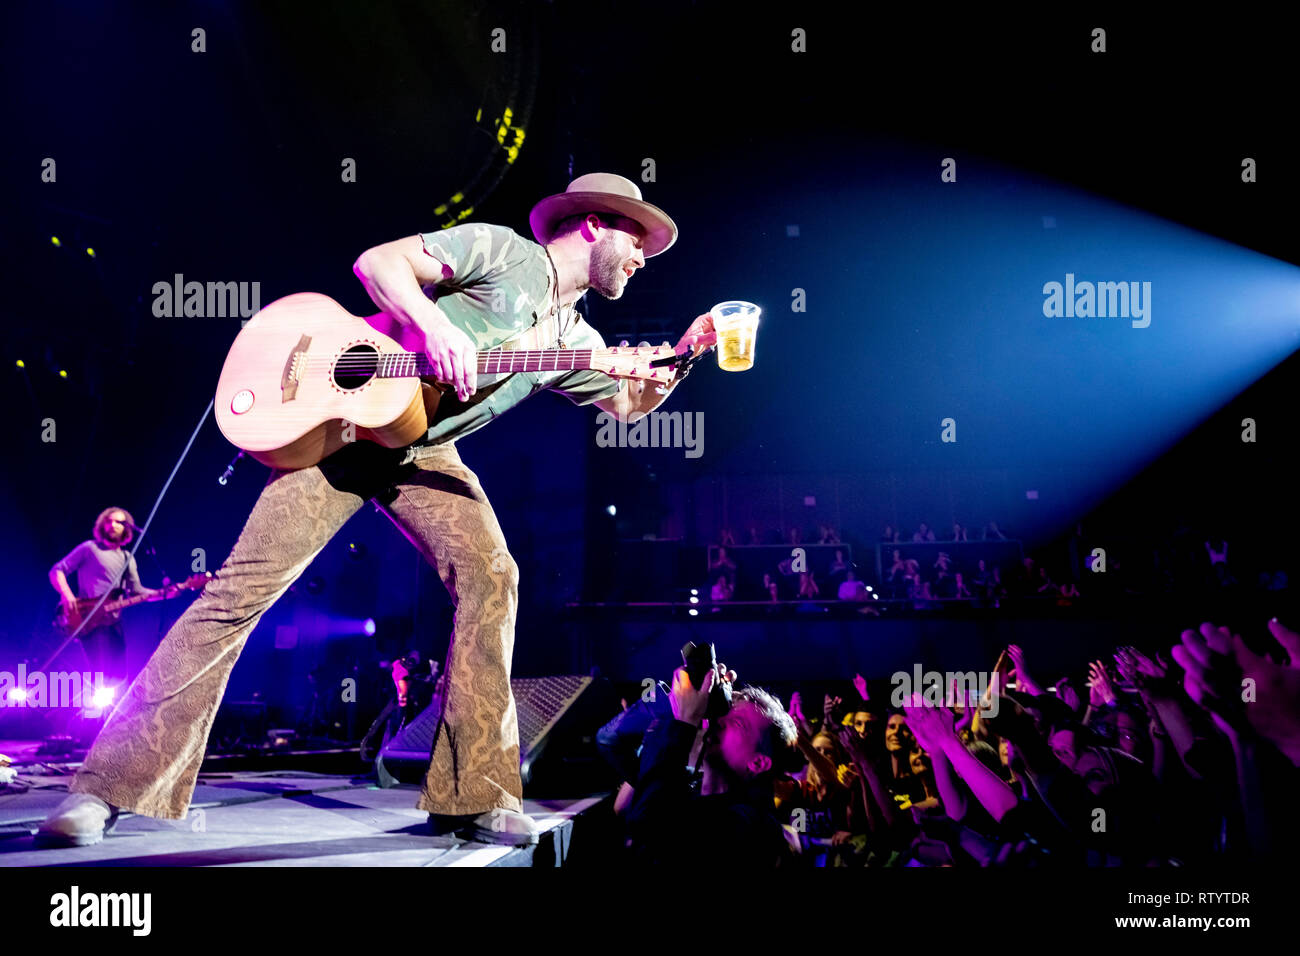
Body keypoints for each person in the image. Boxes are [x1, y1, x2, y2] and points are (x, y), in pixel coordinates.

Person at [38, 172, 717, 849]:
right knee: (237, 595)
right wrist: (435, 325)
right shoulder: (503, 251)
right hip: (349, 432)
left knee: (494, 575)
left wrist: (682, 357)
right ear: (593, 224)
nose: (644, 257)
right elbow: (379, 263)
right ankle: (103, 789)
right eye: (637, 238)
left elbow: (628, 403)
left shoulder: (577, 338)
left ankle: (474, 796)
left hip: (426, 453)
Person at [624, 667, 798, 867]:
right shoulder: (689, 785)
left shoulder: (753, 825)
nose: (720, 721)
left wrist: (683, 722)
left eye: (739, 724)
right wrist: (679, 711)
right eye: (724, 714)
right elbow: (622, 807)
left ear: (758, 763)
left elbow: (648, 827)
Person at [49, 507, 164, 699]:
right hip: (89, 620)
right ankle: (91, 720)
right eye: (109, 521)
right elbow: (57, 570)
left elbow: (138, 592)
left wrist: (166, 593)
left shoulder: (128, 558)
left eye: (119, 522)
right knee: (100, 677)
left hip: (113, 623)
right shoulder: (89, 548)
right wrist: (67, 595)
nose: (112, 525)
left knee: (120, 676)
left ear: (127, 529)